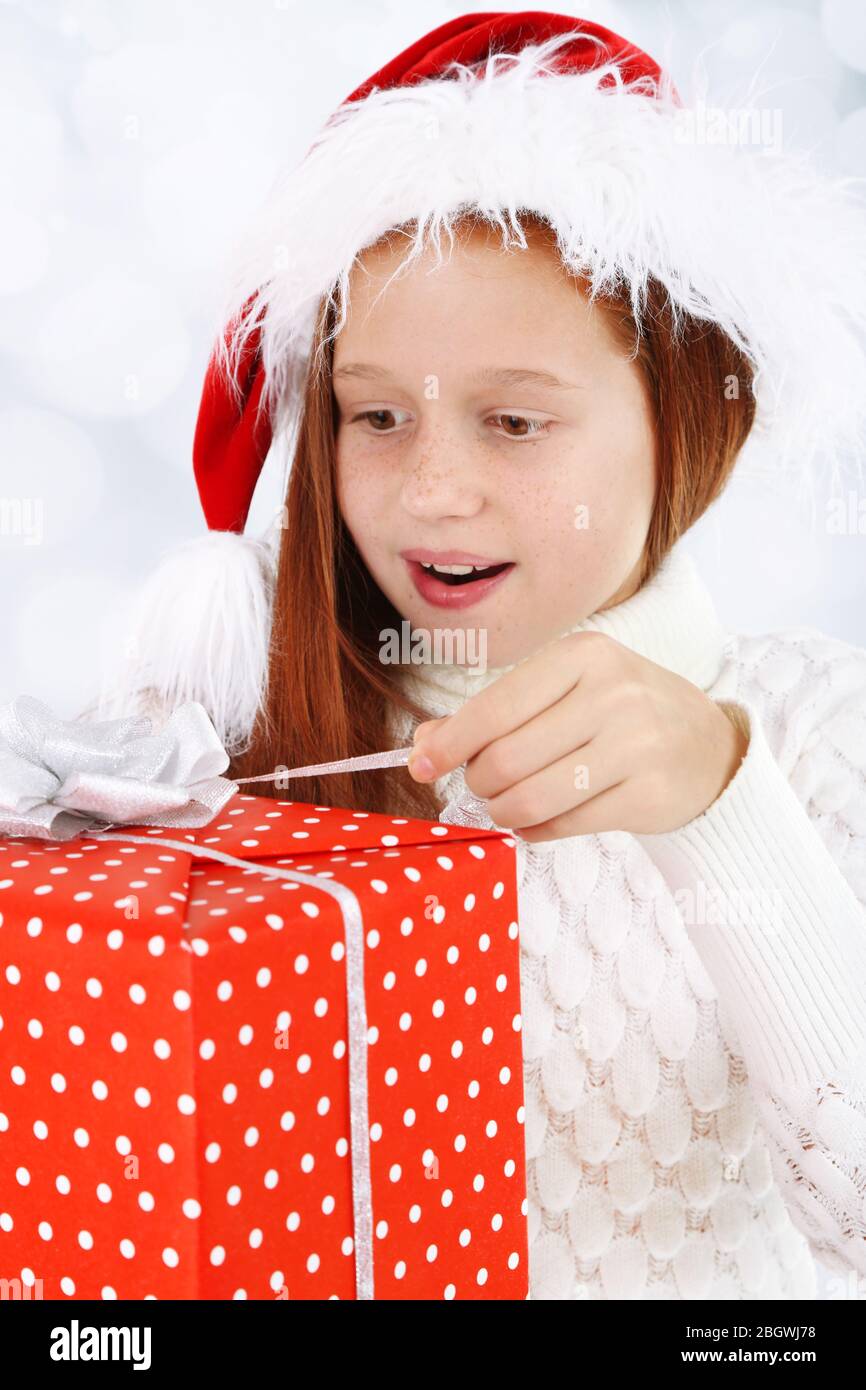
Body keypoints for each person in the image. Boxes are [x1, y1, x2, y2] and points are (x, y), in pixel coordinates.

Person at [99, 13, 866, 1299]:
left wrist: (724, 811)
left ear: (682, 426)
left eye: (513, 420)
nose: (432, 493)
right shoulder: (215, 740)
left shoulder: (812, 728)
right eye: (377, 416)